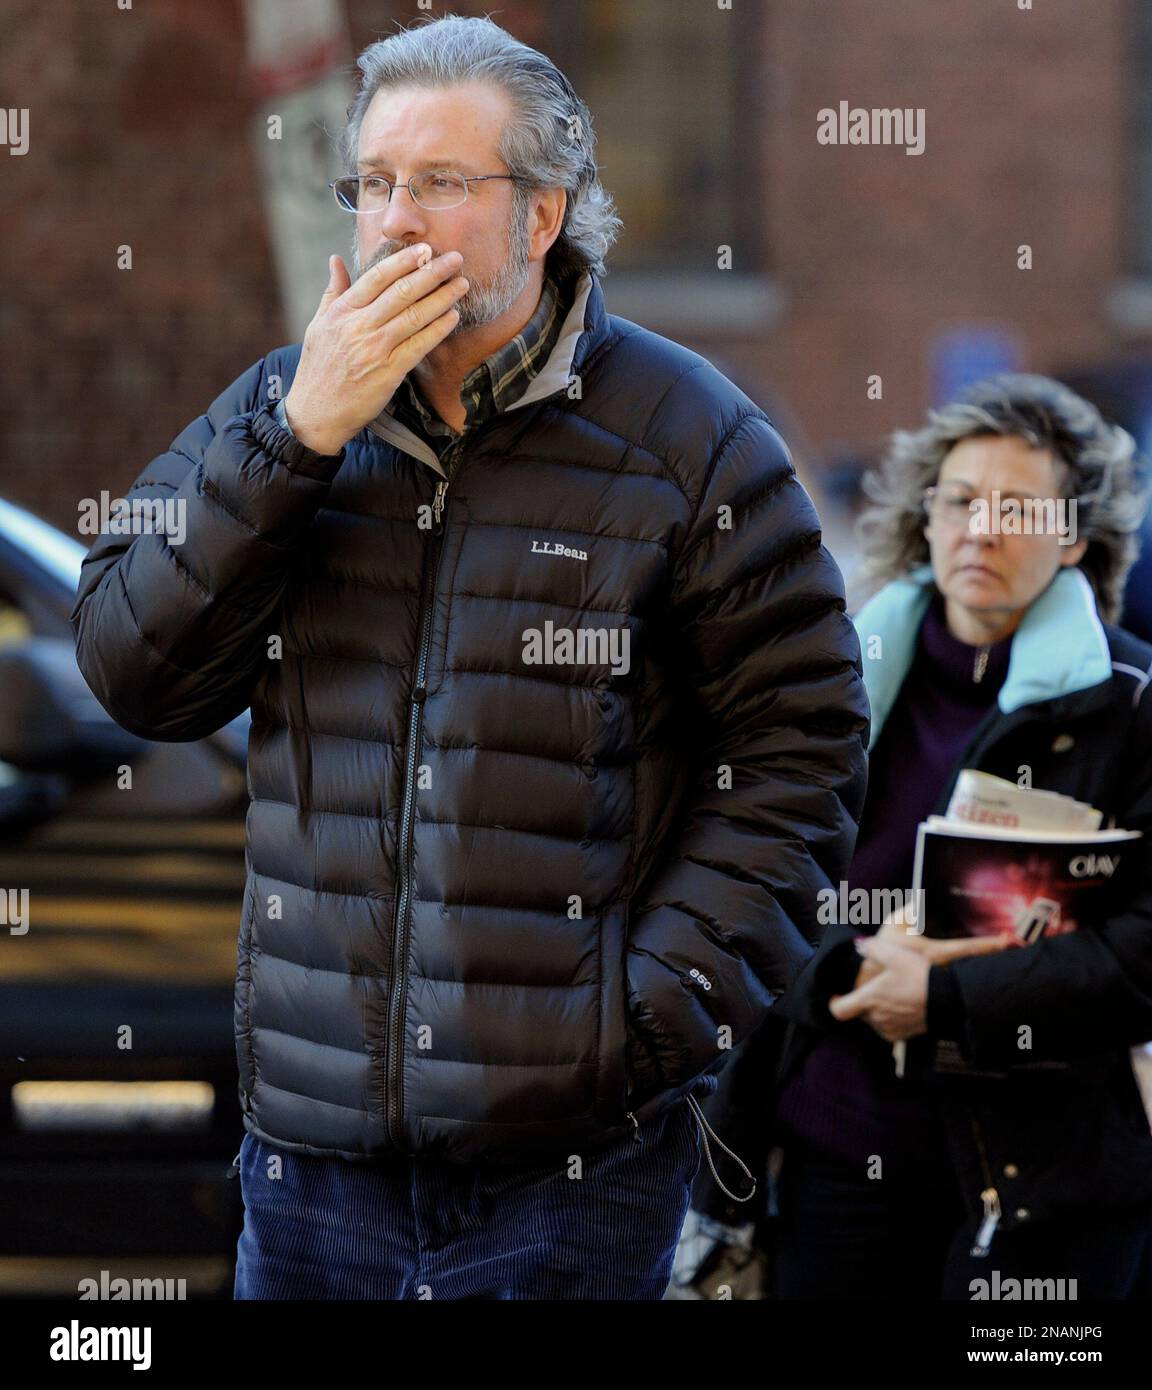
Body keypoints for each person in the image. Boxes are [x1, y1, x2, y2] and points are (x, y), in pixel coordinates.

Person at [69, 15, 868, 1300]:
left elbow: (803, 752)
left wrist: (641, 1024)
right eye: (375, 183)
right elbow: (131, 670)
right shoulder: (280, 409)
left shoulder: (690, 438)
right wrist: (295, 442)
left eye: (441, 183)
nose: (394, 219)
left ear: (541, 216)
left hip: (568, 1165)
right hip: (310, 1159)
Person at [769, 373, 1152, 1300]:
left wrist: (949, 996)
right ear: (926, 518)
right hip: (838, 1157)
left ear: (1073, 537)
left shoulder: (1131, 705)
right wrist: (855, 970)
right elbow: (756, 882)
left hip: (1038, 1188)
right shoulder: (830, 684)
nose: (983, 528)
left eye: (1019, 508)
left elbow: (1145, 953)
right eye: (963, 501)